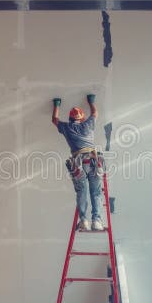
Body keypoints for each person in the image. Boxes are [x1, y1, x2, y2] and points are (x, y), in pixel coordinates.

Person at [51, 94, 104, 232]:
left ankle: (83, 221)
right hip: (93, 161)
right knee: (96, 192)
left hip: (78, 164)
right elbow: (95, 113)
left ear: (70, 119)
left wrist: (57, 104)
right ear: (82, 118)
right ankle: (97, 220)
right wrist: (91, 101)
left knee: (82, 191)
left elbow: (54, 120)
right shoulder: (88, 124)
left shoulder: (67, 127)